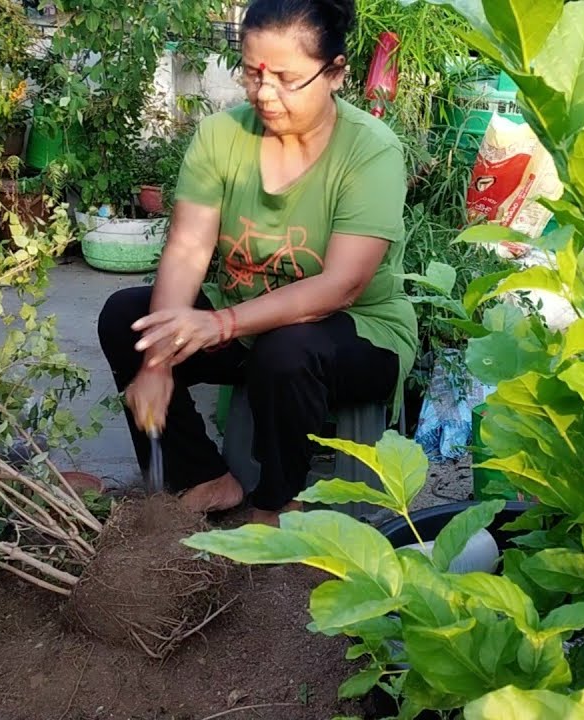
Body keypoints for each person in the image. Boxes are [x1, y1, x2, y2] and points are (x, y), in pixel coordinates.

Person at [97, 0, 416, 526]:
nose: (265, 95)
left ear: (335, 73)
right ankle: (204, 478)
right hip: (244, 322)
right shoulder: (222, 137)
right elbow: (187, 248)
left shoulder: (370, 151)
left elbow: (342, 286)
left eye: (287, 80)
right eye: (252, 74)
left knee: (288, 351)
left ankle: (279, 502)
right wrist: (156, 361)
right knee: (128, 319)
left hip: (357, 334)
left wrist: (218, 322)